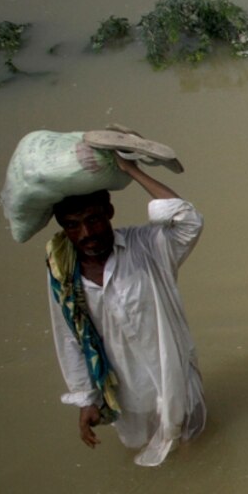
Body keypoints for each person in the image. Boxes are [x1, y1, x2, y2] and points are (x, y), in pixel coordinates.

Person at [47, 157, 205, 467]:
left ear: (109, 213)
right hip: (125, 391)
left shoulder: (147, 247)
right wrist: (86, 399)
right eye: (72, 225)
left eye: (92, 219)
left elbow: (188, 219)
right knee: (143, 453)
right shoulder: (63, 274)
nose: (85, 233)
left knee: (194, 451)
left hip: (174, 377)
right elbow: (69, 336)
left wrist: (131, 171)